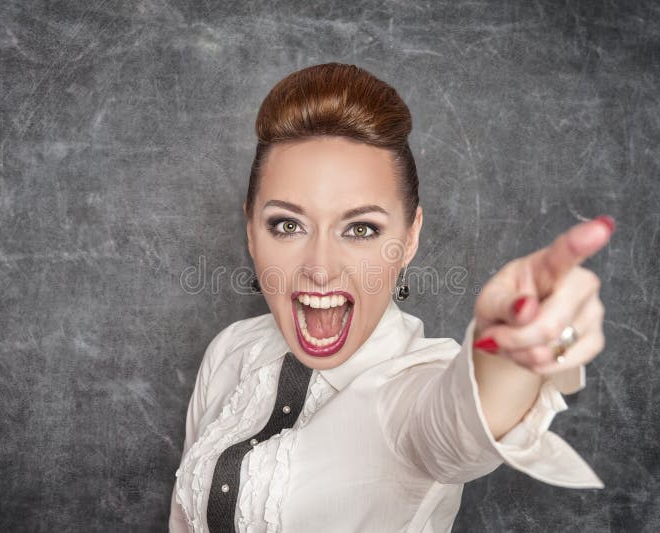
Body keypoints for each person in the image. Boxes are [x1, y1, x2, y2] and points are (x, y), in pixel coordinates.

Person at [169, 63, 612, 533]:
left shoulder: (416, 381)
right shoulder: (230, 352)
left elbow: (456, 423)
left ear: (409, 237)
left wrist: (511, 351)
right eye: (288, 224)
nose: (320, 268)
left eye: (361, 229)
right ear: (253, 232)